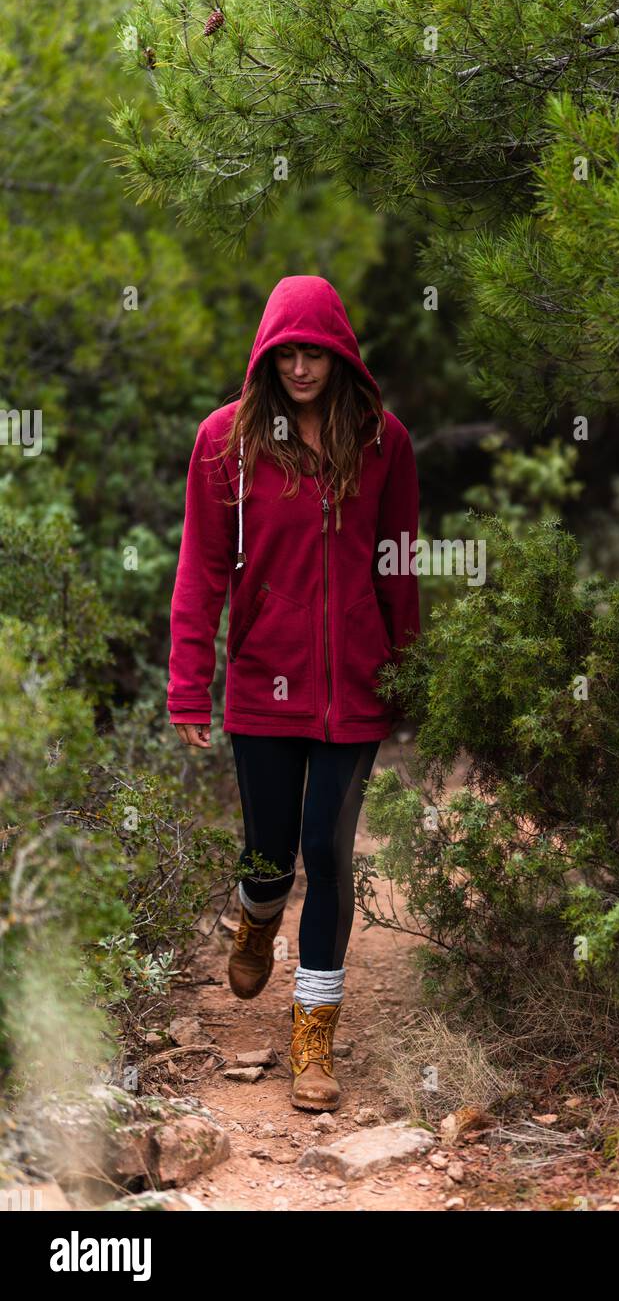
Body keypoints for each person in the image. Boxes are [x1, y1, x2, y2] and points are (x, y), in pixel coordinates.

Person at [166, 274, 420, 1111]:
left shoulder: (385, 442)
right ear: (265, 355)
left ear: (341, 354)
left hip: (353, 691)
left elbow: (398, 565)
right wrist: (186, 690)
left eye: (316, 351)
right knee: (269, 852)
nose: (302, 367)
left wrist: (409, 671)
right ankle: (257, 914)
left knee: (331, 854)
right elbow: (201, 574)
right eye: (287, 352)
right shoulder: (224, 443)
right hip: (261, 688)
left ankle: (314, 1036)